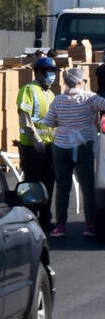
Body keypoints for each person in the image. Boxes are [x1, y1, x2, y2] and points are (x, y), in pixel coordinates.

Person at [46, 66, 105, 238]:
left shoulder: (58, 100)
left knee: (63, 187)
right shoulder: (89, 98)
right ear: (80, 82)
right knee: (87, 187)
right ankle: (90, 225)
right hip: (83, 146)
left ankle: (60, 226)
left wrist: (64, 123)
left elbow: (48, 122)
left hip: (61, 146)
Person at [16, 56, 57, 229]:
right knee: (32, 184)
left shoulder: (50, 93)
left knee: (48, 184)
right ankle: (31, 219)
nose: (52, 76)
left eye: (53, 72)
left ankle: (46, 219)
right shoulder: (29, 90)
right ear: (39, 73)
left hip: (50, 146)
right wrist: (37, 139)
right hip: (32, 147)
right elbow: (25, 118)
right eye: (49, 72)